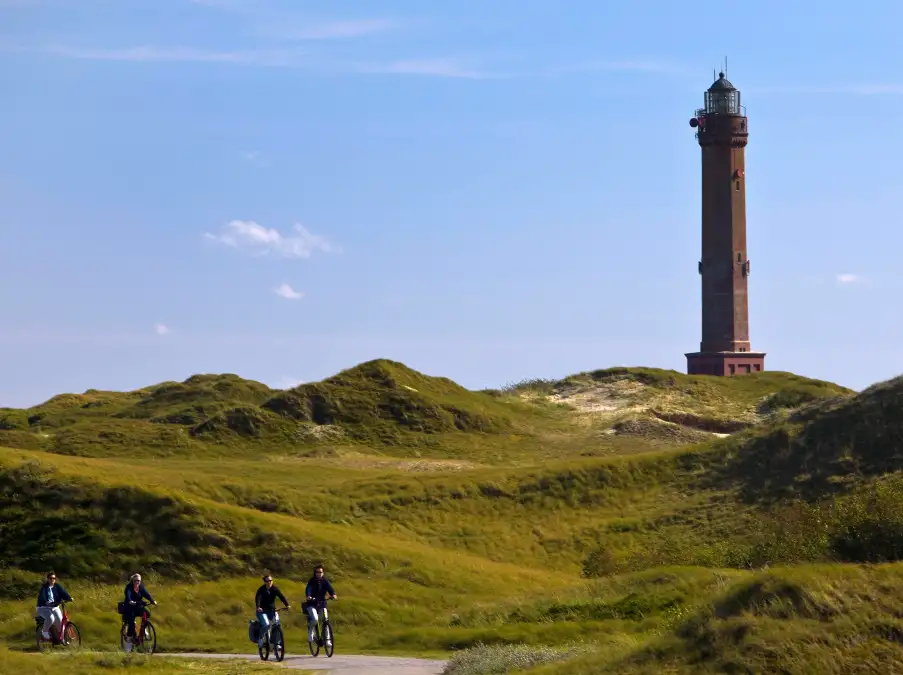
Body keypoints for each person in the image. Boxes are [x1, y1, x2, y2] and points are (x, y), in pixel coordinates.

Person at [123, 573, 156, 652]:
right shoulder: (129, 587)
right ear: (132, 581)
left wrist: (152, 600)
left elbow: (146, 594)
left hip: (138, 605)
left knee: (147, 613)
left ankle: (144, 628)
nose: (137, 582)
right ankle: (128, 646)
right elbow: (128, 594)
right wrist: (130, 601)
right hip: (130, 607)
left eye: (139, 581)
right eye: (136, 581)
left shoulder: (141, 587)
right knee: (131, 624)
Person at [304, 564, 337, 644]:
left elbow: (330, 588)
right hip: (312, 604)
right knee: (315, 619)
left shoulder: (325, 581)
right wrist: (308, 596)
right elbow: (308, 588)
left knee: (326, 620)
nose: (319, 573)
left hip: (322, 603)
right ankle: (311, 632)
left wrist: (333, 594)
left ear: (323, 573)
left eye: (320, 572)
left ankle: (328, 640)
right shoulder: (312, 581)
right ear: (315, 573)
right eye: (317, 572)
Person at [35, 571, 73, 642]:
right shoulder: (44, 587)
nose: (53, 579)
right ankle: (44, 632)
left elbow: (63, 592)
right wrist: (46, 602)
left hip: (54, 607)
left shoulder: (57, 586)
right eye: (51, 578)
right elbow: (42, 596)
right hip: (43, 608)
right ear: (48, 579)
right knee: (51, 618)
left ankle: (61, 638)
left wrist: (69, 598)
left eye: (54, 578)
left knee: (60, 621)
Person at [255, 574, 290, 648]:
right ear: (264, 582)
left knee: (277, 624)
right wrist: (258, 607)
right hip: (262, 611)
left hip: (271, 610)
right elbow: (258, 598)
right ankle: (260, 638)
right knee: (266, 625)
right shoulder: (261, 590)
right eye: (267, 581)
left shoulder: (275, 589)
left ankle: (276, 643)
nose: (269, 582)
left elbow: (281, 597)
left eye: (270, 580)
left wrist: (287, 605)